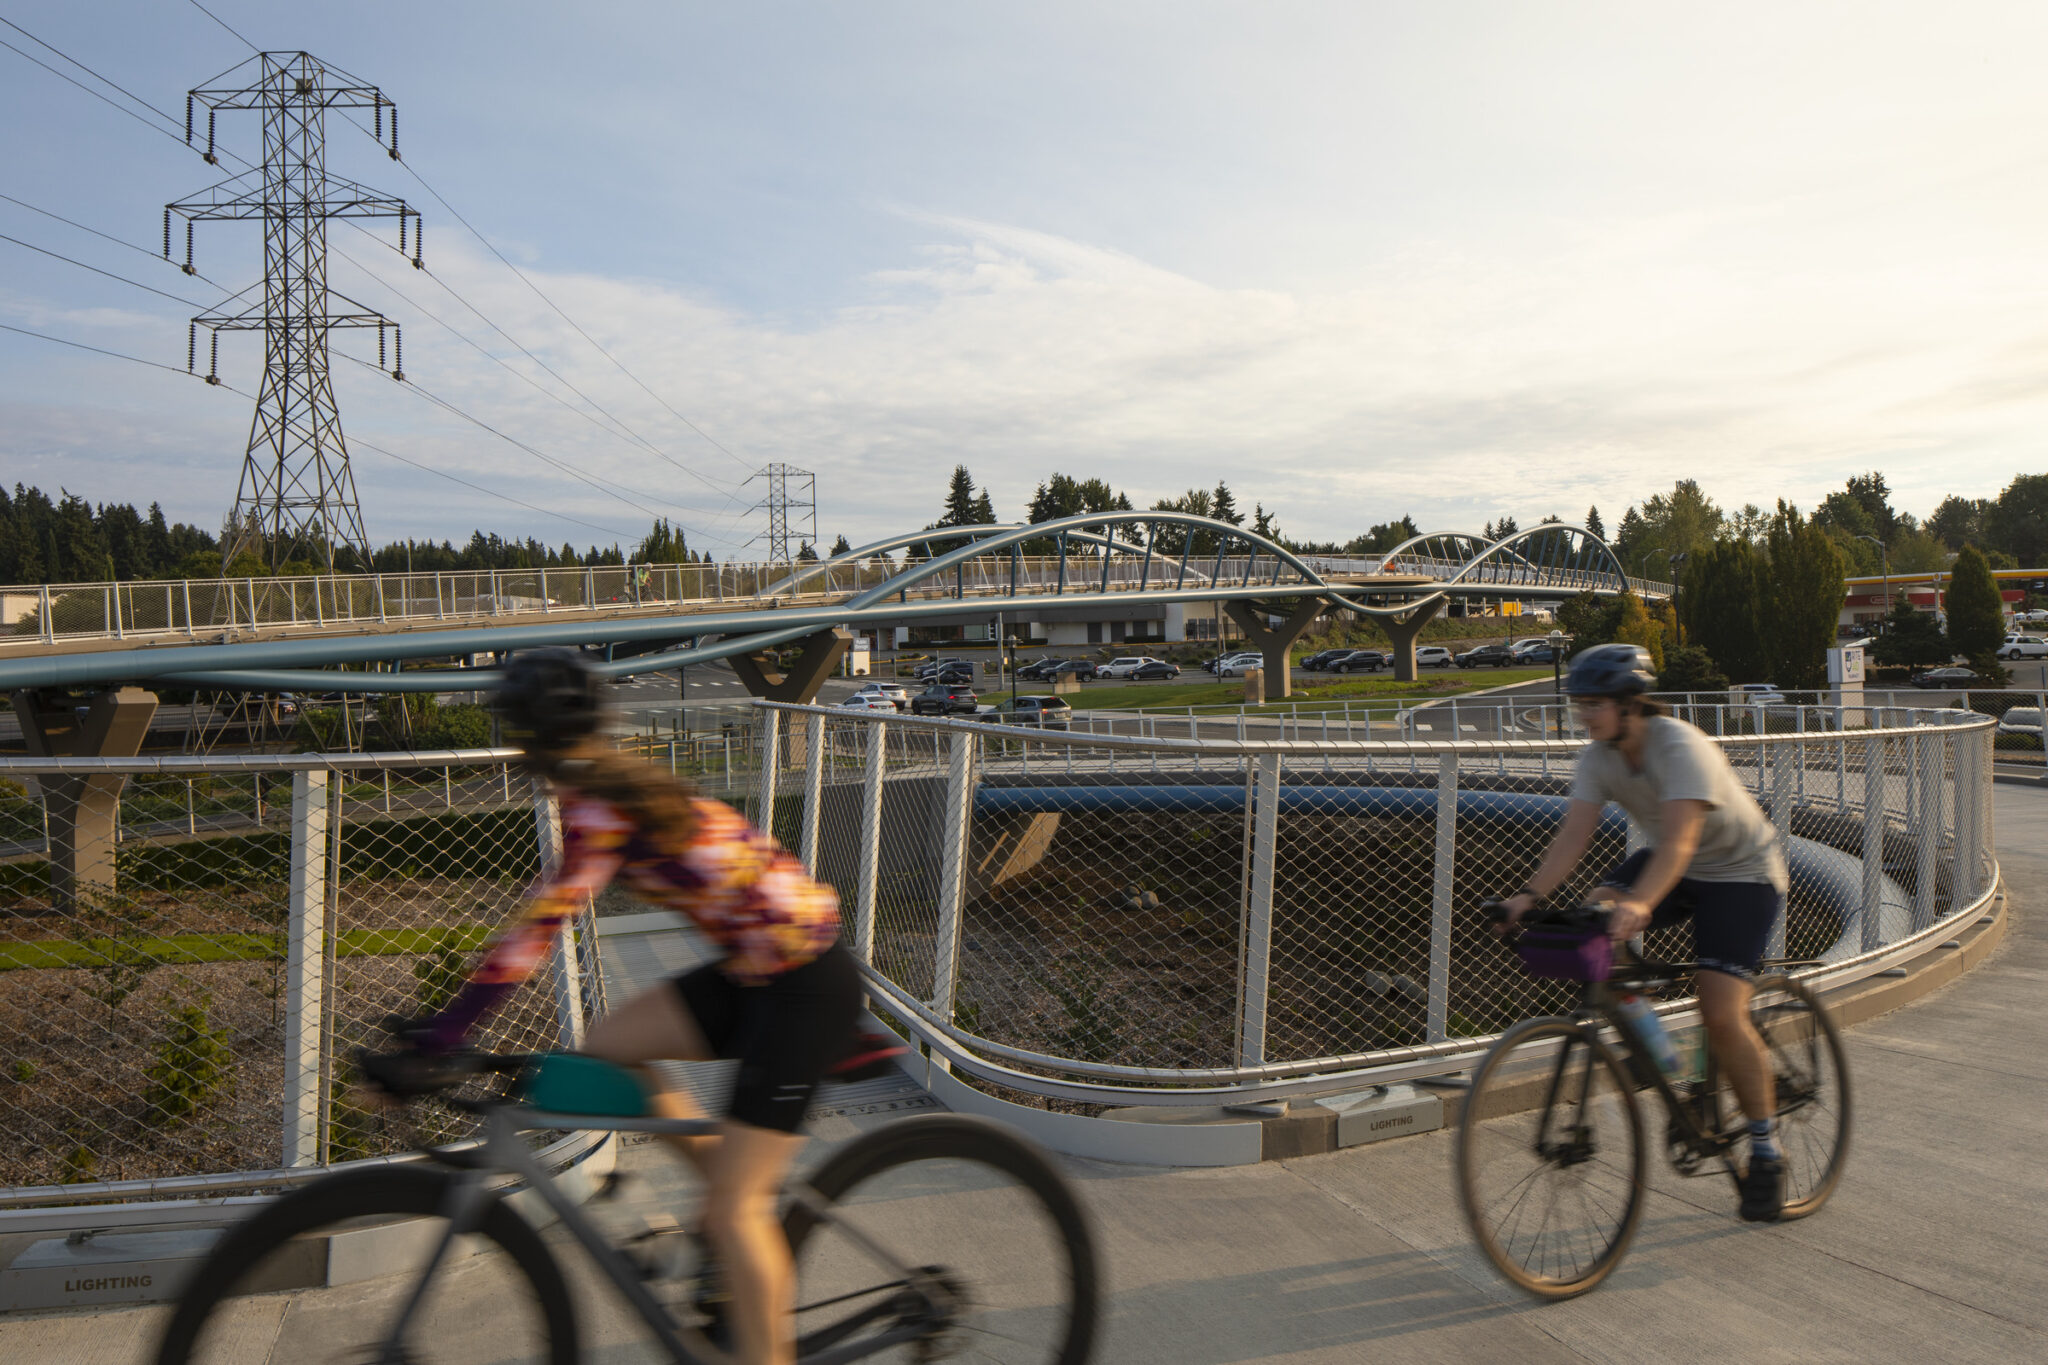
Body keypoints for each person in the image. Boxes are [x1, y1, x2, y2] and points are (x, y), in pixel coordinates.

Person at [414, 648, 862, 1364]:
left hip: (806, 982)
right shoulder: (611, 783)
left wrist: (445, 1031)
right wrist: (446, 1027)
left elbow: (537, 928)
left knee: (738, 1209)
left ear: (529, 740)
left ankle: (734, 1225)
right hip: (757, 969)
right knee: (610, 1046)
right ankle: (726, 1192)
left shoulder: (602, 802)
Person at [1497, 643, 1789, 1222]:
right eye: (1578, 703)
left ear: (1631, 703)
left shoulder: (1680, 745)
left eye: (1594, 703)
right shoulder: (1599, 756)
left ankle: (1765, 1146)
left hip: (1742, 873)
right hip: (1675, 864)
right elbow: (1573, 837)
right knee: (1592, 916)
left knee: (1720, 1008)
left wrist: (1641, 905)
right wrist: (1528, 897)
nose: (1584, 713)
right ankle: (1652, 1037)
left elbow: (1680, 842)